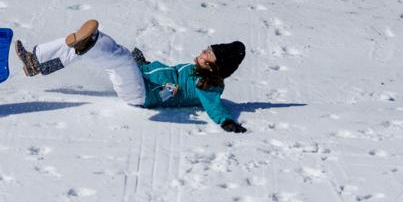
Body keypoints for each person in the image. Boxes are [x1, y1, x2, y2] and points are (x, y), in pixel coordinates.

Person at [15, 19, 248, 133]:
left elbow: (213, 106)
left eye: (209, 53)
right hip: (140, 79)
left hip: (142, 95)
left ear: (214, 67)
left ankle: (84, 45)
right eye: (208, 47)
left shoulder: (205, 84)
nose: (203, 51)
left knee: (115, 54)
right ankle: (37, 61)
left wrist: (226, 121)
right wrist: (144, 65)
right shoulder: (192, 70)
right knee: (86, 44)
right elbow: (163, 73)